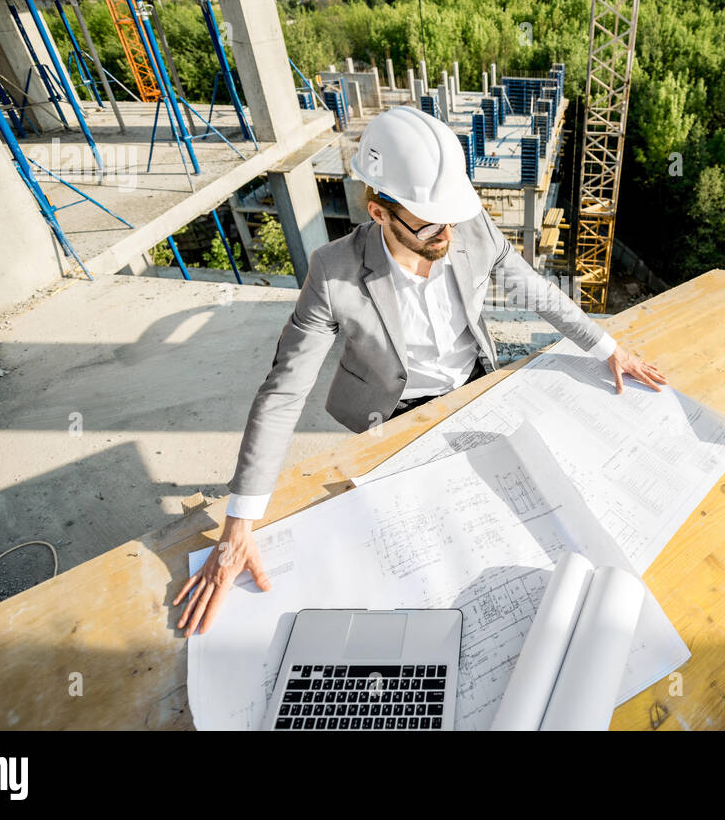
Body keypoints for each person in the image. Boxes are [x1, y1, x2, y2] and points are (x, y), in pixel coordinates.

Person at [175, 105, 666, 635]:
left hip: (470, 388)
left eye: (452, 215)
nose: (446, 232)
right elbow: (283, 392)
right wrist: (238, 523)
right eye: (430, 221)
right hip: (391, 411)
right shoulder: (334, 272)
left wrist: (606, 346)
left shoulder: (468, 229)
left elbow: (538, 292)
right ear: (379, 211)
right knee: (414, 546)